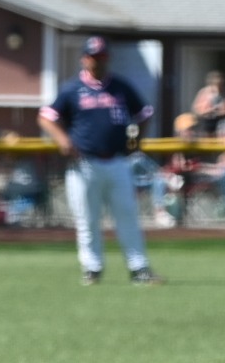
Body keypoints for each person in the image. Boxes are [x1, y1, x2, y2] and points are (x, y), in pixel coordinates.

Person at [38, 36, 160, 286]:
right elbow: (46, 116)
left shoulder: (120, 87)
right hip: (84, 163)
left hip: (117, 161)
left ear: (108, 58)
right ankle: (92, 268)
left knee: (127, 217)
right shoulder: (72, 89)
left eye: (102, 57)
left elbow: (144, 113)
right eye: (93, 57)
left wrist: (137, 141)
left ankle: (139, 268)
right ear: (84, 59)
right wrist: (63, 139)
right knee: (87, 220)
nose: (98, 61)